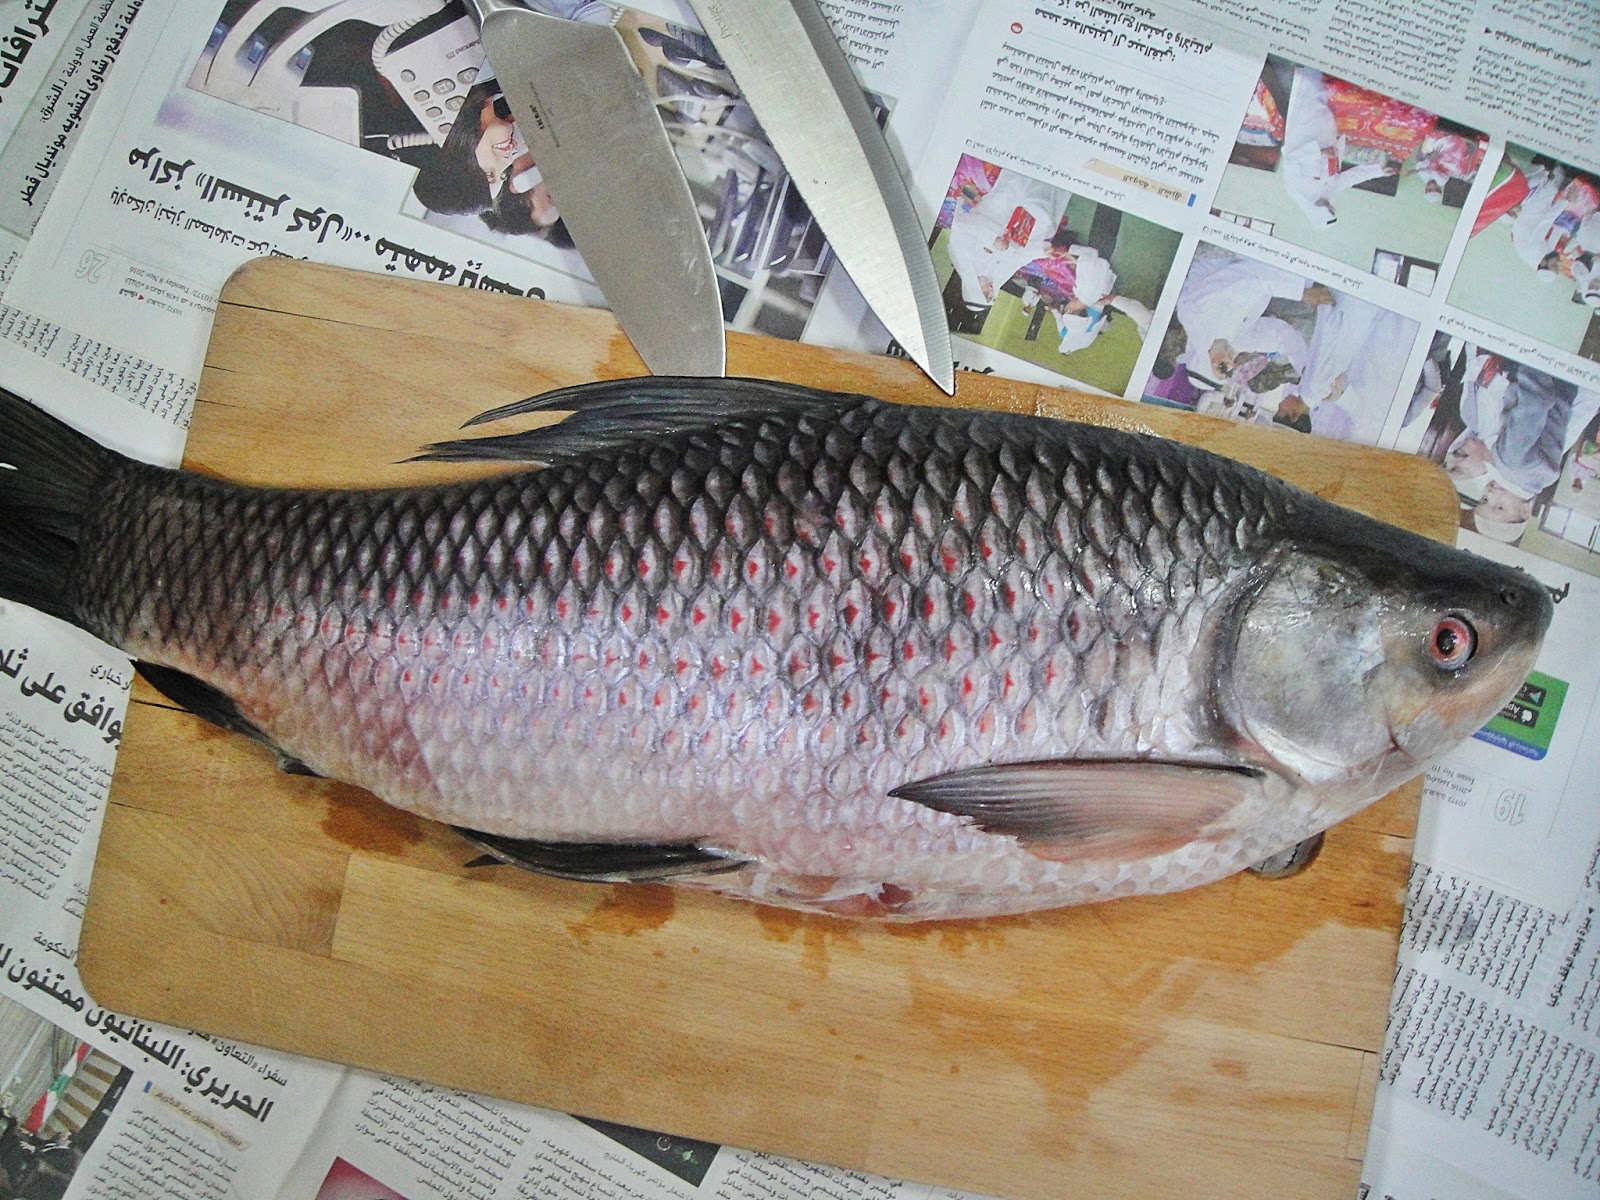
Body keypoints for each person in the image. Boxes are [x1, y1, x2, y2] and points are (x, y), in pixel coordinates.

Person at [945, 168, 1065, 308]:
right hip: (1025, 219)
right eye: (992, 296)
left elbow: (962, 225)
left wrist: (993, 239)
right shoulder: (997, 276)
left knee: (1024, 177)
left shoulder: (962, 256)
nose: (991, 291)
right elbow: (1018, 257)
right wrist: (1042, 251)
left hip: (1000, 207)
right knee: (1047, 195)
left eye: (986, 294)